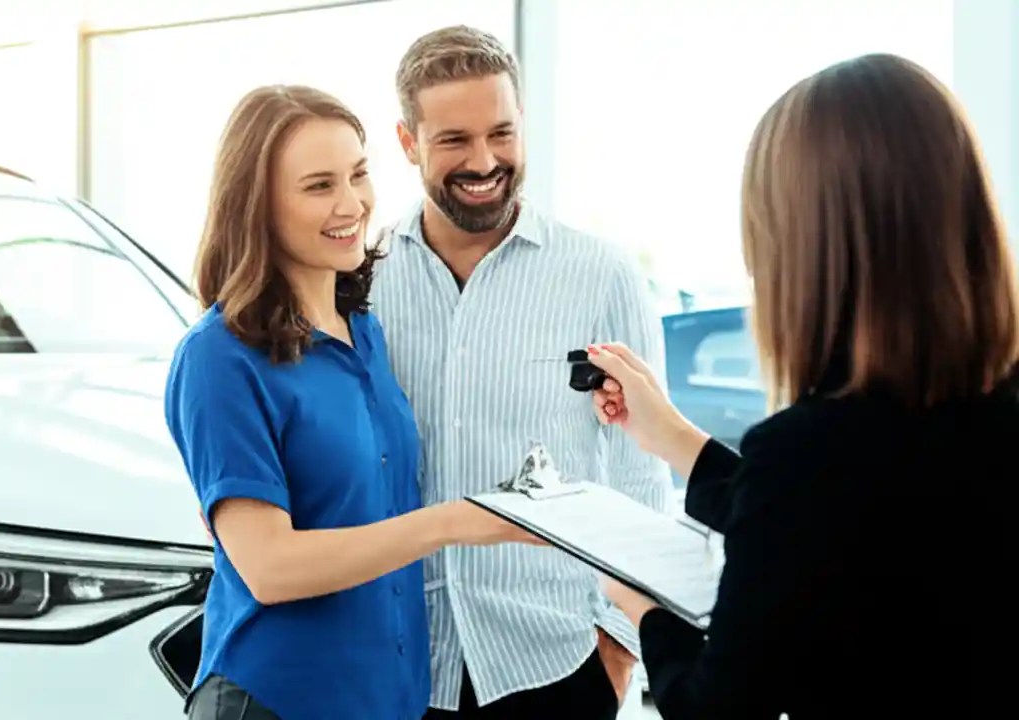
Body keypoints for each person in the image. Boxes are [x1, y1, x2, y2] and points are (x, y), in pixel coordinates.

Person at [585, 53, 1016, 719]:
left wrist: (643, 608)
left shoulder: (810, 456)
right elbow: (839, 512)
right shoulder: (981, 414)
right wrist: (673, 439)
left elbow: (717, 708)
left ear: (804, 248)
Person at [163, 84, 540, 720]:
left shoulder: (363, 330)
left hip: (388, 702)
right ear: (258, 206)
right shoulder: (218, 357)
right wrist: (452, 523)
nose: (352, 204)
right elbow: (269, 569)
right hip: (276, 702)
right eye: (319, 186)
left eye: (358, 175)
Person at [369, 25, 673, 719]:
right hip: (399, 666)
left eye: (501, 133)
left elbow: (642, 476)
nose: (485, 161)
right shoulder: (363, 280)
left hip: (558, 665)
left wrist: (618, 647)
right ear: (409, 142)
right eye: (454, 140)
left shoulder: (600, 275)